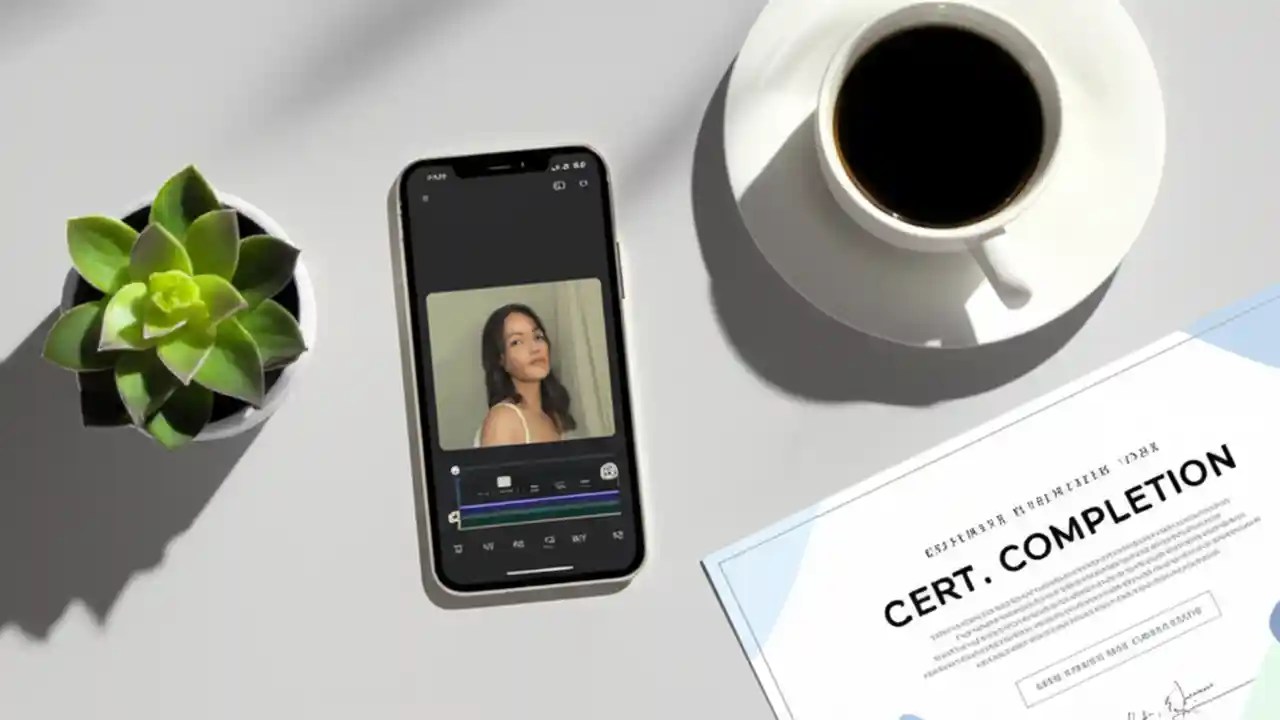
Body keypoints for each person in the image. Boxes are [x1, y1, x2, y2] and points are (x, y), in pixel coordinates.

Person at [476, 303, 577, 447]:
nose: (535, 348)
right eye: (516, 342)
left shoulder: (553, 416)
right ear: (501, 359)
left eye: (538, 336)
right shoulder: (503, 420)